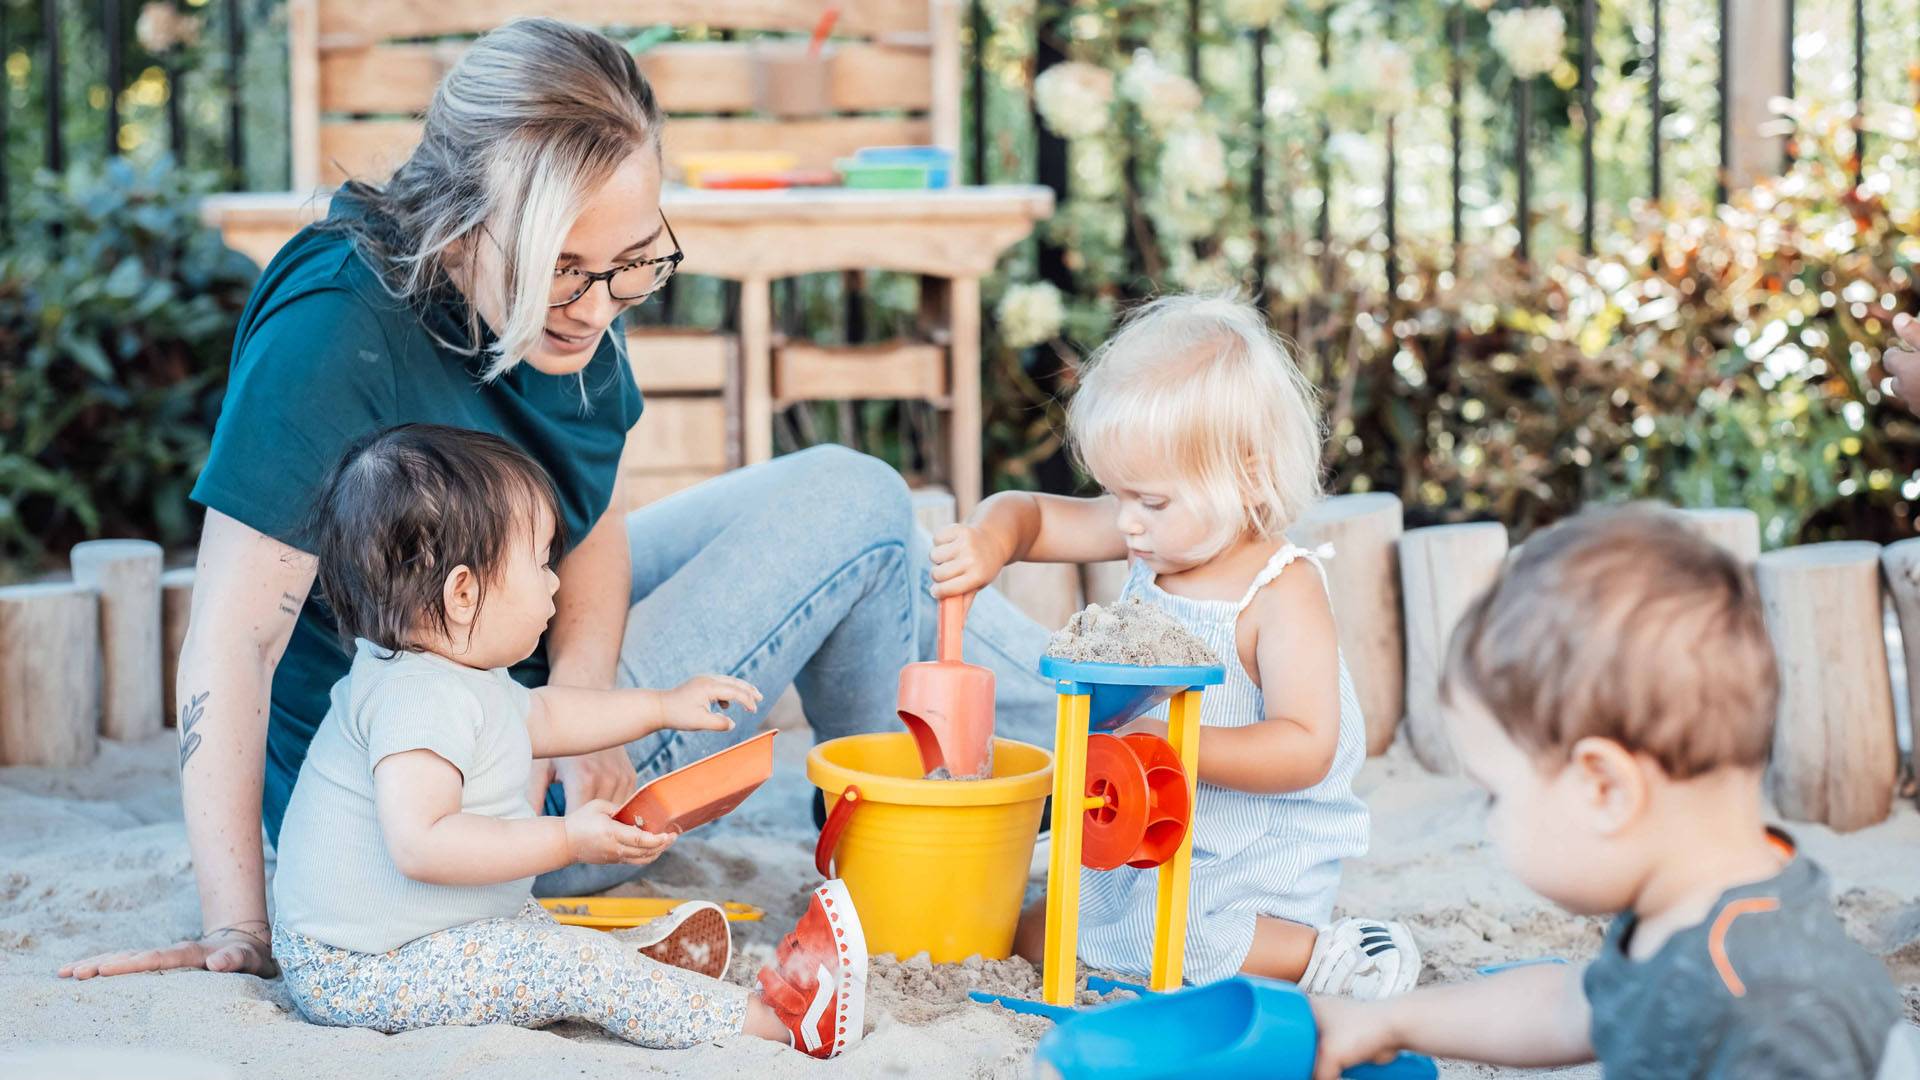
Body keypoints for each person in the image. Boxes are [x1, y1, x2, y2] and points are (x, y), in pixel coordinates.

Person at [58, 17, 1057, 982]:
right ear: (461, 215)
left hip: (533, 679)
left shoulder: (572, 290)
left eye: (628, 265)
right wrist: (237, 923)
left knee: (848, 488)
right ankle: (1016, 785)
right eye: (563, 272)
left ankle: (1059, 744)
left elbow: (588, 525)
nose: (595, 308)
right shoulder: (335, 331)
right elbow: (233, 640)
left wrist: (587, 695)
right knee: (859, 513)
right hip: (458, 798)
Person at [270, 423, 866, 1058]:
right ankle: (782, 1023)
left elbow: (549, 717)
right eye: (540, 561)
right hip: (359, 970)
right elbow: (422, 843)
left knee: (540, 945)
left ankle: (642, 975)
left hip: (419, 937)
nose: (556, 582)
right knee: (560, 964)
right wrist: (566, 838)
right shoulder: (416, 698)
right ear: (464, 592)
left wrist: (661, 707)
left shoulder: (456, 674)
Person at [1310, 505, 1917, 1080]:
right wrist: (1389, 1020)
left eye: (1496, 796)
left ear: (1604, 788)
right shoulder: (1693, 915)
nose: (1487, 827)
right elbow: (1570, 1006)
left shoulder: (1768, 1007)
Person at [931, 293, 1420, 997]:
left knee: (1190, 935)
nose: (1125, 522)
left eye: (1150, 501)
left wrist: (1175, 742)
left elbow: (1307, 747)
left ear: (1247, 476)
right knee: (1033, 928)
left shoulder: (1279, 591)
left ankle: (1329, 952)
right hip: (1146, 830)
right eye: (1115, 494)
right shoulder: (1156, 540)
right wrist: (988, 540)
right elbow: (1032, 516)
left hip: (1249, 857)